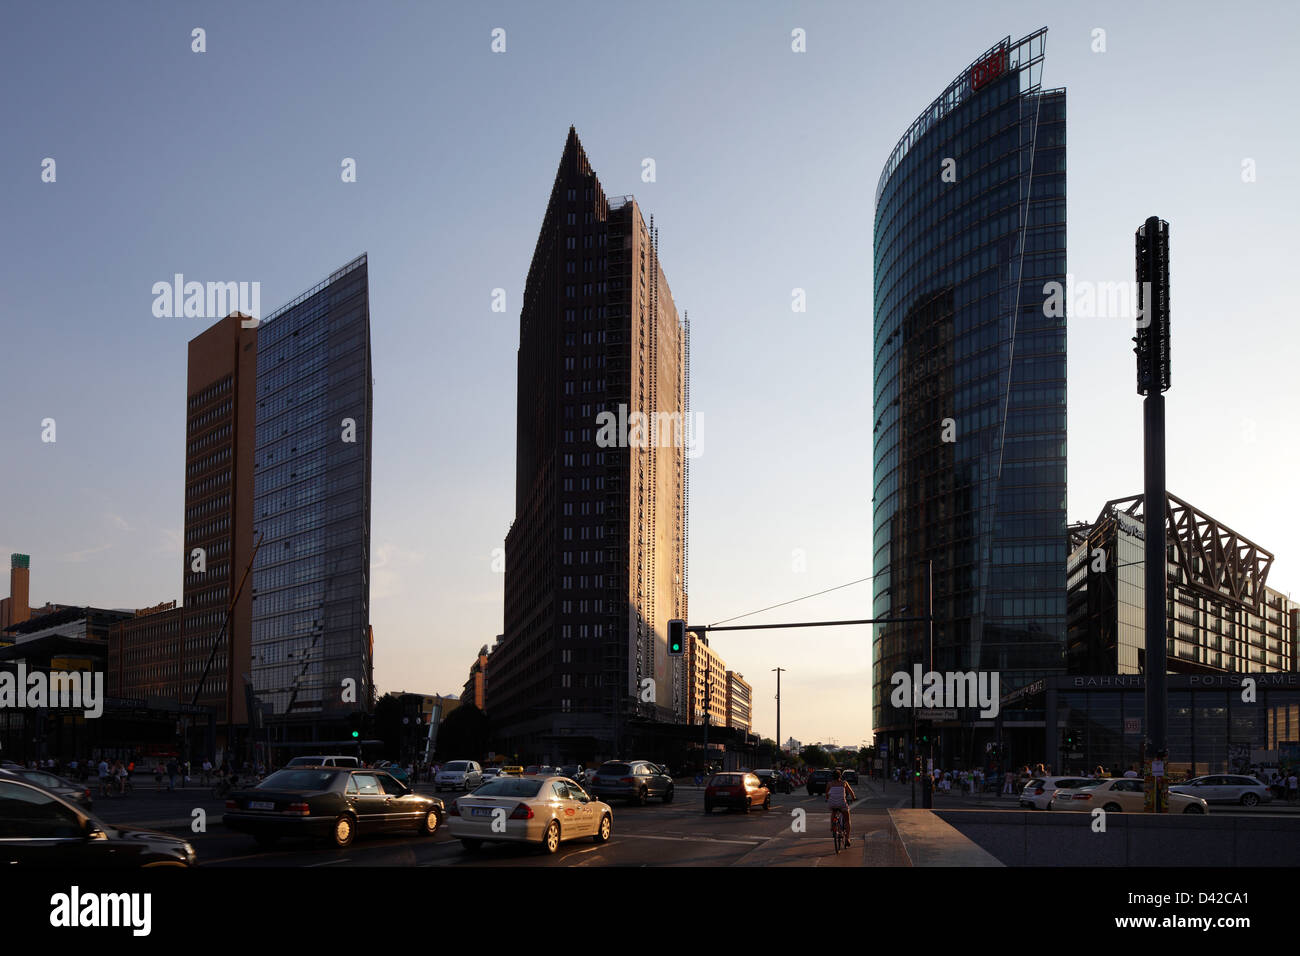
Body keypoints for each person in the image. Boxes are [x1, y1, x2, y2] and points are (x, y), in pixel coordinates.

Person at [825, 768, 856, 847]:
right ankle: (847, 839)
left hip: (832, 804)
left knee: (834, 812)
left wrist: (828, 799)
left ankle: (832, 826)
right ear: (840, 776)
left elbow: (827, 794)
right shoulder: (844, 783)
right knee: (847, 819)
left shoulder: (829, 784)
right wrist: (853, 798)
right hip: (842, 804)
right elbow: (851, 792)